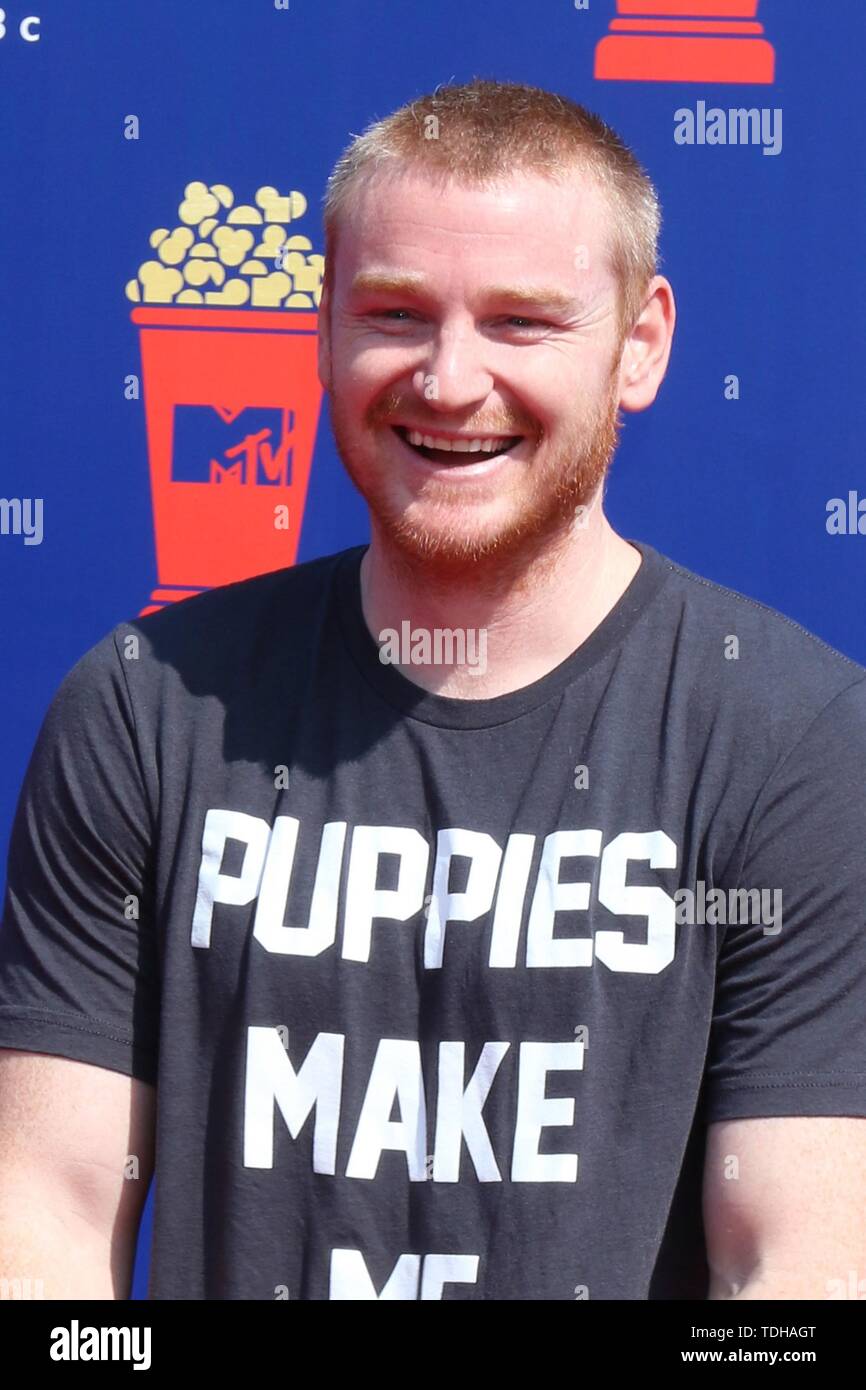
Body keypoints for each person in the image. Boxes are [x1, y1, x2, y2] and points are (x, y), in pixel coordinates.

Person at [1, 78, 865, 1302]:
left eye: (521, 323)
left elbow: (796, 1271)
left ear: (640, 343)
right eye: (396, 312)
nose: (448, 381)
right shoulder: (146, 710)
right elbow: (46, 1220)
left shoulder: (796, 741)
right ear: (322, 330)